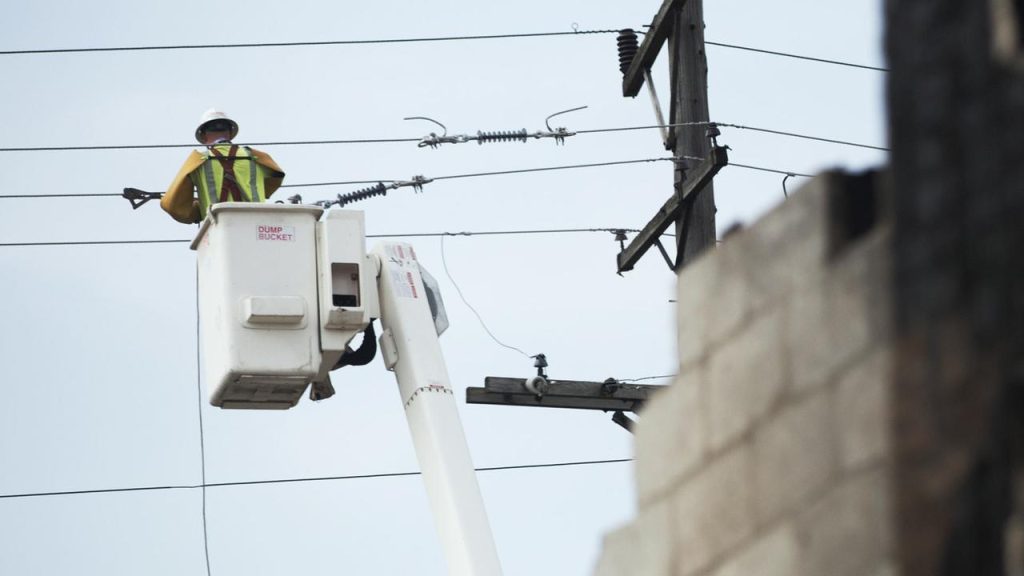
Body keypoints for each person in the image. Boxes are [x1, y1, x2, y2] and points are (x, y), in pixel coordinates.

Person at [161, 109, 286, 224]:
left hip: (219, 229)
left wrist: (196, 211)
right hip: (256, 226)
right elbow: (276, 177)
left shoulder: (198, 161)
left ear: (203, 136)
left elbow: (172, 205)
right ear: (231, 133)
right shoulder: (255, 156)